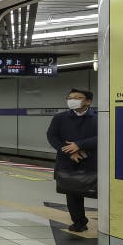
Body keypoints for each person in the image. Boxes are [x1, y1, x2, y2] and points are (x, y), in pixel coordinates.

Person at [46, 88, 97, 235]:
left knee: (98, 190)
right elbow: (52, 136)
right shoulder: (60, 118)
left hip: (92, 160)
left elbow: (104, 135)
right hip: (68, 160)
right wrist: (68, 151)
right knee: (72, 193)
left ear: (88, 101)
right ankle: (79, 222)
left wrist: (80, 145)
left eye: (77, 97)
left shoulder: (98, 117)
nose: (72, 100)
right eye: (69, 98)